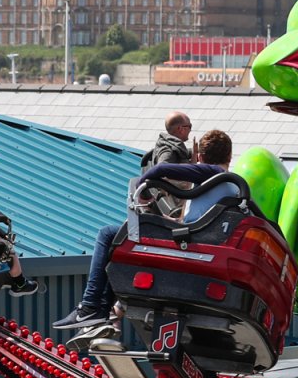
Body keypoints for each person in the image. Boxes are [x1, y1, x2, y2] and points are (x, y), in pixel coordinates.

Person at [53, 131, 237, 333]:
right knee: (125, 237)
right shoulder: (232, 187)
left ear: (200, 157)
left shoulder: (211, 173)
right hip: (198, 239)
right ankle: (102, 312)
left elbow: (159, 169)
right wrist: (172, 220)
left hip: (186, 241)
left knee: (108, 235)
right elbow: (199, 219)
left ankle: (90, 307)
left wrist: (143, 191)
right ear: (230, 156)